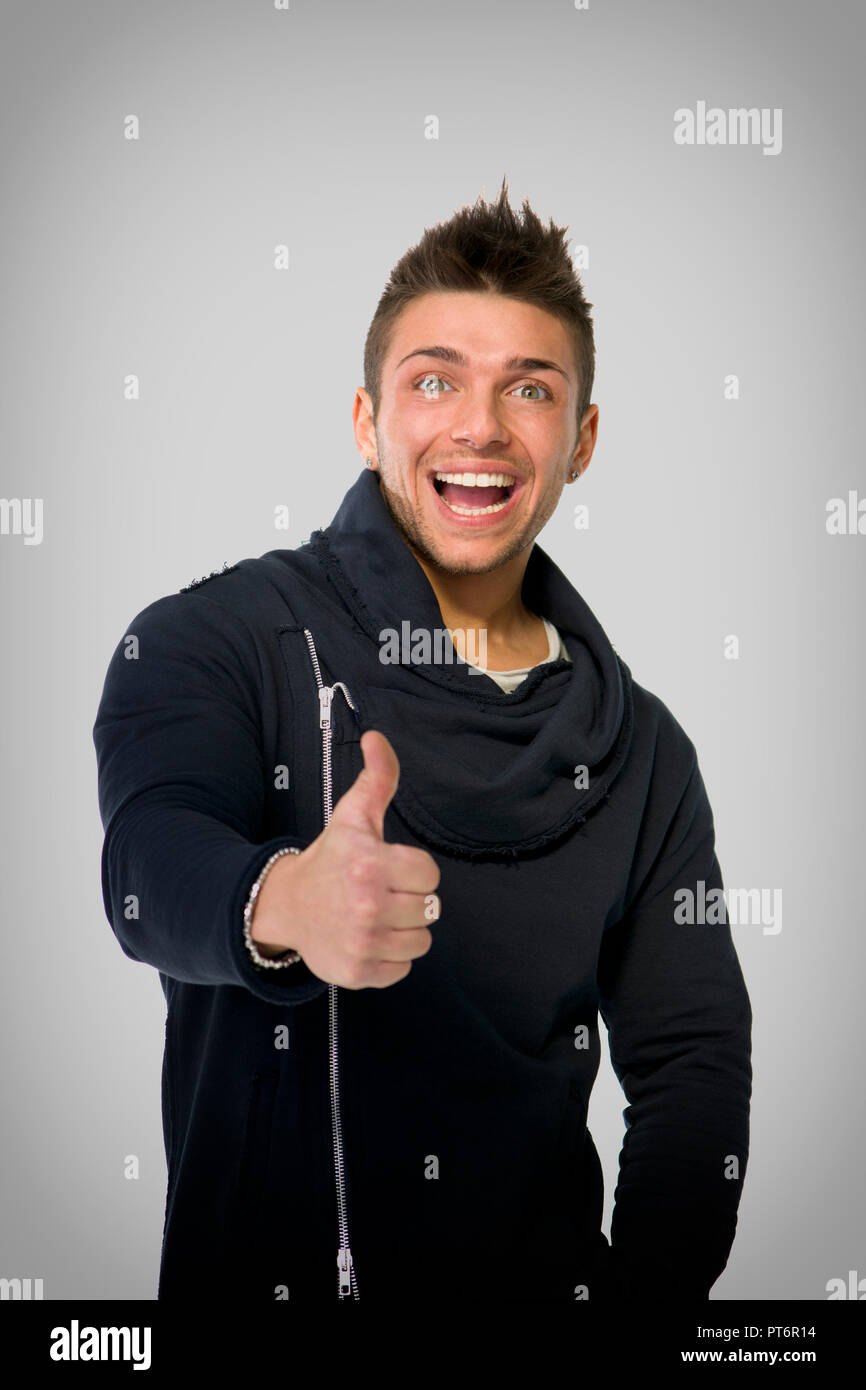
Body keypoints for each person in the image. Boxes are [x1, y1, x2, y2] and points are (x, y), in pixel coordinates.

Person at [92, 178, 752, 1304]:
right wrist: (285, 901)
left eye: (528, 389)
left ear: (580, 440)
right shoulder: (211, 639)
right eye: (433, 380)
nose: (480, 426)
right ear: (366, 421)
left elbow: (690, 1064)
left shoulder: (642, 749)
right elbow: (146, 871)